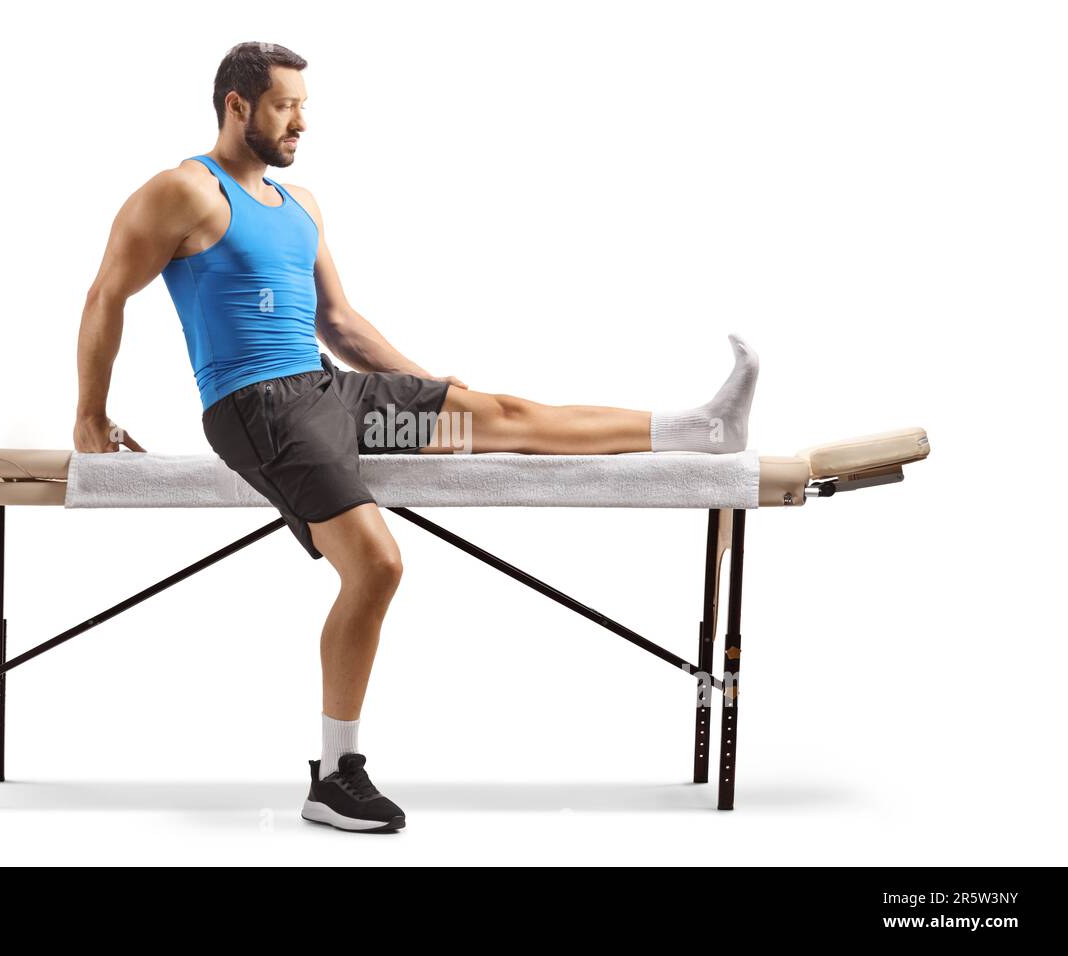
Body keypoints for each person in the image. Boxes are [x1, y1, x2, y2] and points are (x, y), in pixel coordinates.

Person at [73, 41, 759, 833]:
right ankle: (335, 776)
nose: (302, 120)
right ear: (236, 105)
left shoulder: (302, 208)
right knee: (378, 564)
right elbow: (104, 296)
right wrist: (90, 416)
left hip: (329, 391)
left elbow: (339, 322)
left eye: (304, 103)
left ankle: (703, 428)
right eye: (285, 105)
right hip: (258, 409)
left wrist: (427, 389)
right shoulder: (184, 191)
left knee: (499, 413)